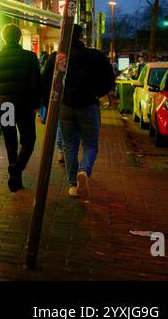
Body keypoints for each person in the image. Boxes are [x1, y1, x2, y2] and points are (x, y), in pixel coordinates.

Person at [41, 35, 116, 198]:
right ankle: (84, 170)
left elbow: (45, 81)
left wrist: (50, 104)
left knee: (69, 145)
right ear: (82, 37)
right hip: (88, 104)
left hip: (65, 105)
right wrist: (97, 93)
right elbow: (110, 79)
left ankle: (73, 185)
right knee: (90, 143)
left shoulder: (57, 56)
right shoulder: (95, 55)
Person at [0, 25, 43, 192]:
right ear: (18, 38)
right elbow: (36, 82)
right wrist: (36, 104)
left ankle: (14, 169)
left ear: (3, 38)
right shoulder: (30, 57)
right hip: (25, 105)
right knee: (29, 140)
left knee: (10, 140)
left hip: (5, 105)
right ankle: (17, 170)